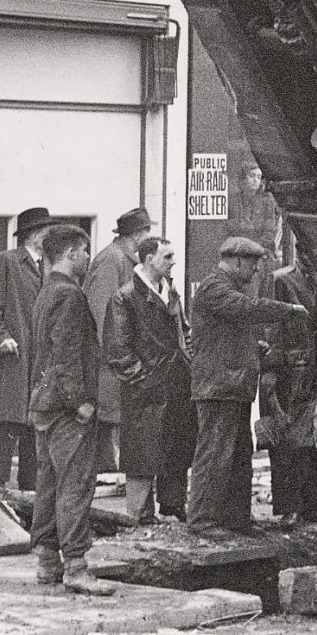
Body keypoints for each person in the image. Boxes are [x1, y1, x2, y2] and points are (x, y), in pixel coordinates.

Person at [186, 237, 306, 536]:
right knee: (215, 454)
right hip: (218, 387)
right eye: (253, 265)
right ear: (238, 261)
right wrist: (288, 309)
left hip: (234, 386)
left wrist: (255, 346)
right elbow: (247, 308)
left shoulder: (228, 288)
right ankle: (202, 521)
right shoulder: (215, 287)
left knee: (239, 456)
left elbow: (228, 333)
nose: (256, 272)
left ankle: (236, 519)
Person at [29, 222, 115, 595]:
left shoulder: (46, 292)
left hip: (44, 407)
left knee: (48, 485)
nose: (86, 258)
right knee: (75, 486)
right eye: (83, 252)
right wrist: (79, 401)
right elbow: (65, 355)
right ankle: (76, 568)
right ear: (69, 254)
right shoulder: (70, 296)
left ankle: (47, 561)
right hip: (66, 410)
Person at [104, 236, 194, 524]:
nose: (173, 262)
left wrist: (188, 365)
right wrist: (144, 381)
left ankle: (173, 505)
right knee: (143, 455)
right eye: (167, 257)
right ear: (148, 259)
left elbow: (185, 332)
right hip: (146, 391)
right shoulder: (125, 297)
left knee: (176, 449)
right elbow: (118, 350)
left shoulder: (171, 292)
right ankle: (139, 515)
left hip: (177, 385)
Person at [0, 207, 52, 489]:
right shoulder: (7, 261)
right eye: (46, 231)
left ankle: (29, 491)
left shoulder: (47, 265)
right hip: (12, 358)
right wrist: (2, 337)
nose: (50, 236)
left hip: (37, 359)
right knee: (7, 422)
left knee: (34, 421)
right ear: (33, 235)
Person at [82, 206, 154, 474]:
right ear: (137, 236)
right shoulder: (112, 260)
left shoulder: (122, 260)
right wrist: (116, 354)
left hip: (118, 357)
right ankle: (106, 473)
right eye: (147, 232)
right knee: (108, 417)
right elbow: (101, 312)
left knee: (114, 417)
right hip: (109, 359)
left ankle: (109, 472)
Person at [260, 257, 317, 528]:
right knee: (285, 441)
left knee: (311, 442)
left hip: (314, 369)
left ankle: (308, 506)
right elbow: (271, 327)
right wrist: (272, 369)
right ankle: (289, 508)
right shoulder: (281, 280)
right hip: (287, 372)